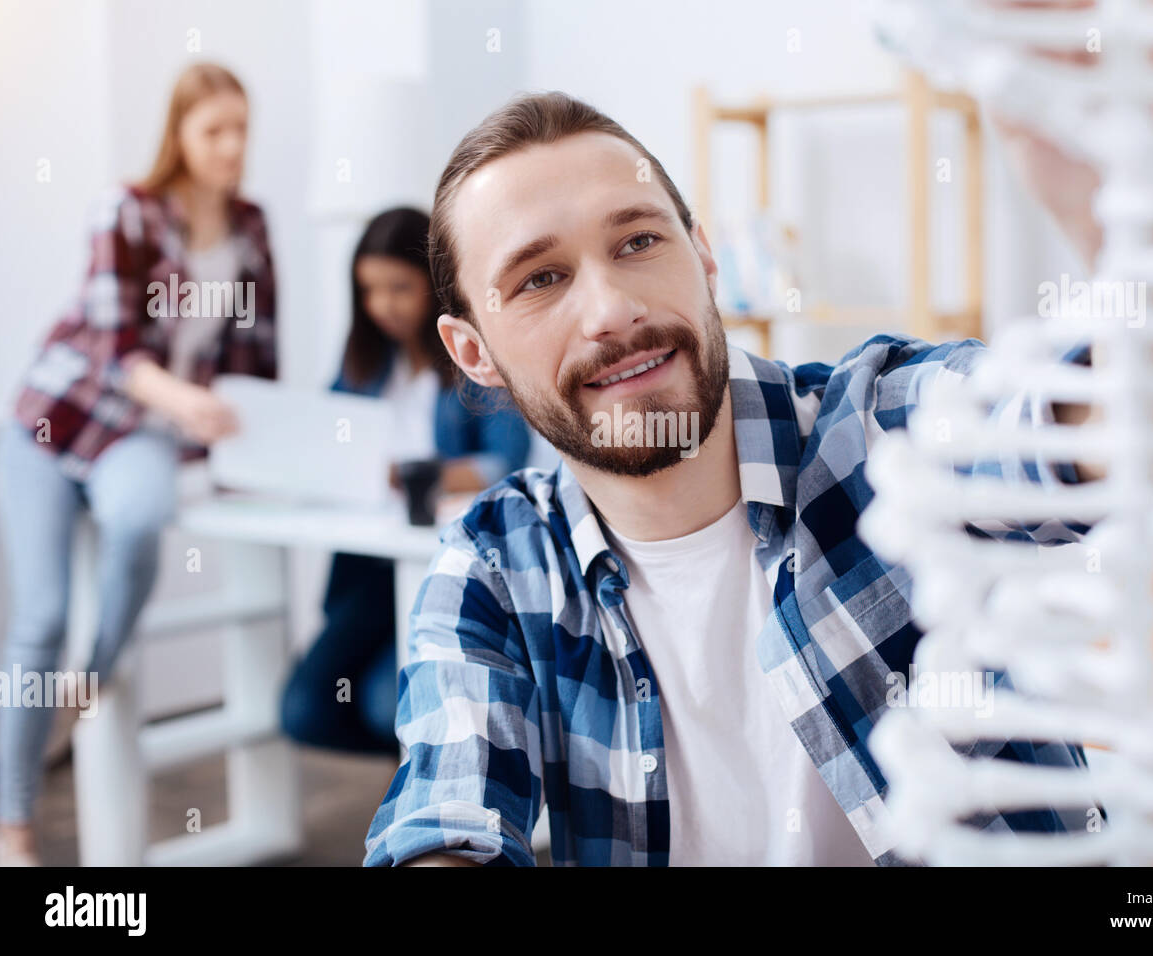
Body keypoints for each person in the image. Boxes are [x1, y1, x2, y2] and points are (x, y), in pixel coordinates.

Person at [362, 91, 1099, 868]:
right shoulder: (496, 565)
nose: (612, 309)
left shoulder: (882, 429)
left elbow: (1092, 424)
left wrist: (1145, 249)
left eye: (639, 240)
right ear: (473, 351)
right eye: (541, 279)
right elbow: (444, 817)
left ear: (704, 258)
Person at [0, 62, 277, 867]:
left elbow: (257, 356)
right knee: (41, 617)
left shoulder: (251, 228)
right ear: (179, 135)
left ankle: (95, 673)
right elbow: (115, 348)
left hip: (140, 437)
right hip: (57, 420)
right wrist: (187, 403)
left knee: (143, 516)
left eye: (241, 129)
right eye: (214, 130)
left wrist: (255, 448)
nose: (231, 146)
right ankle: (13, 825)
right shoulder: (127, 210)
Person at [279, 207, 530, 758]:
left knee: (380, 704)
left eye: (399, 287)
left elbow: (503, 463)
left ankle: (445, 773)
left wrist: (406, 474)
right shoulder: (365, 363)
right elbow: (322, 436)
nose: (383, 305)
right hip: (367, 569)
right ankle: (432, 764)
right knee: (304, 711)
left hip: (443, 564)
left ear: (436, 284)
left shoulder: (473, 356)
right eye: (369, 290)